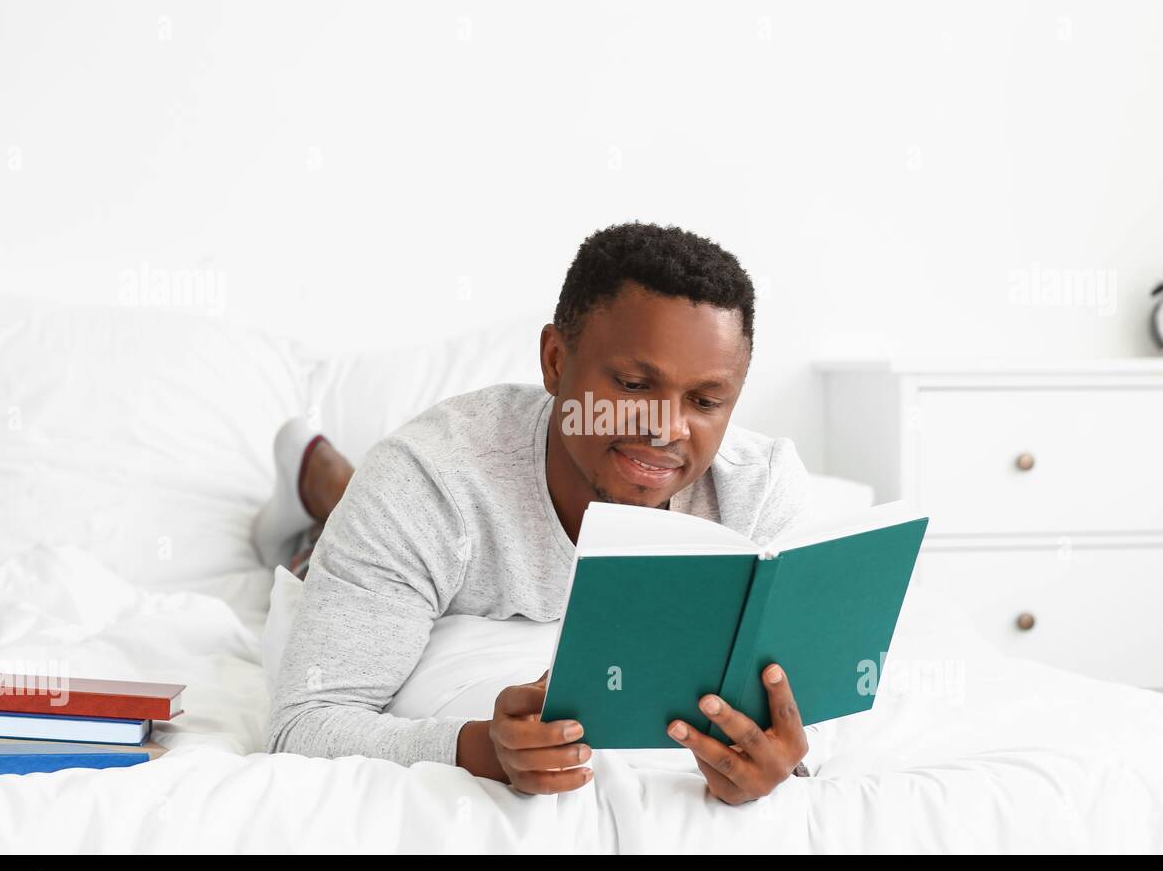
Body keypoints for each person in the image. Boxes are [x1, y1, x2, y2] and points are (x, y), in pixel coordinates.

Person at [261, 222, 814, 804]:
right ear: (555, 360)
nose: (665, 429)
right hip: (400, 518)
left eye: (705, 402)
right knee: (326, 538)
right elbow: (304, 724)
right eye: (631, 384)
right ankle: (318, 478)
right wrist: (482, 750)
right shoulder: (425, 480)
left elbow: (804, 715)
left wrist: (779, 762)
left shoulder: (760, 488)